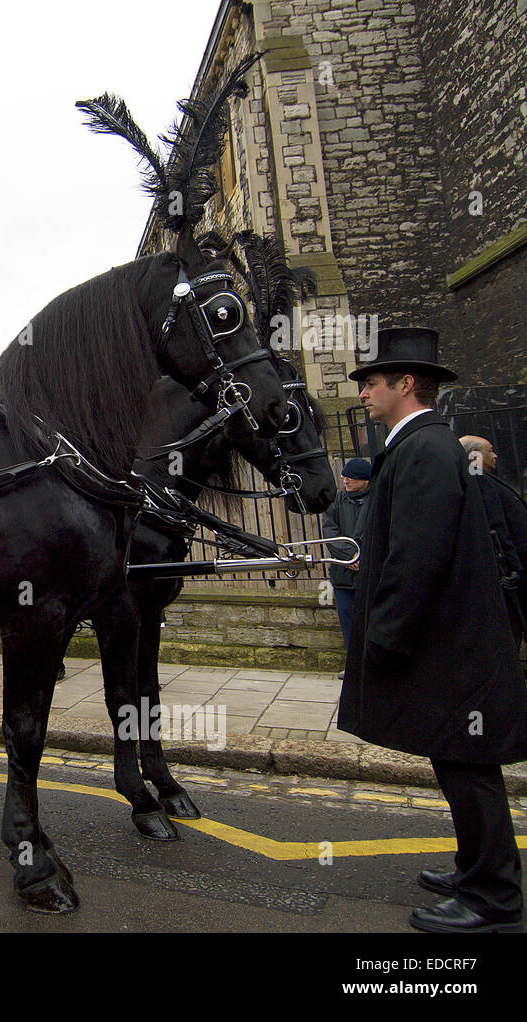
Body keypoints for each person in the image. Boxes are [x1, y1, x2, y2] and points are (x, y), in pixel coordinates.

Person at [341, 327, 527, 933]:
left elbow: (419, 555)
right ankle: (476, 867)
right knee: (459, 763)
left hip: (451, 647)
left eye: (372, 382)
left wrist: (386, 635)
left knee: (468, 767)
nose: (364, 392)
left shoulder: (424, 449)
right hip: (454, 643)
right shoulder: (421, 446)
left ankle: (493, 896)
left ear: (407, 384)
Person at [459, 435, 527, 646]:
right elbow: (496, 526)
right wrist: (513, 566)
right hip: (513, 566)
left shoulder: (484, 478)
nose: (495, 455)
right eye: (490, 450)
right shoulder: (478, 479)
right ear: (475, 456)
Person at [320, 457, 371, 677]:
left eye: (351, 477)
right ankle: (354, 665)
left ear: (365, 480)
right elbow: (330, 533)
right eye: (344, 476)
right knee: (348, 619)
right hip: (343, 576)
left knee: (372, 620)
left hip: (371, 574)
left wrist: (366, 558)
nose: (345, 480)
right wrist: (350, 556)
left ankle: (374, 664)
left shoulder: (378, 501)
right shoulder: (336, 502)